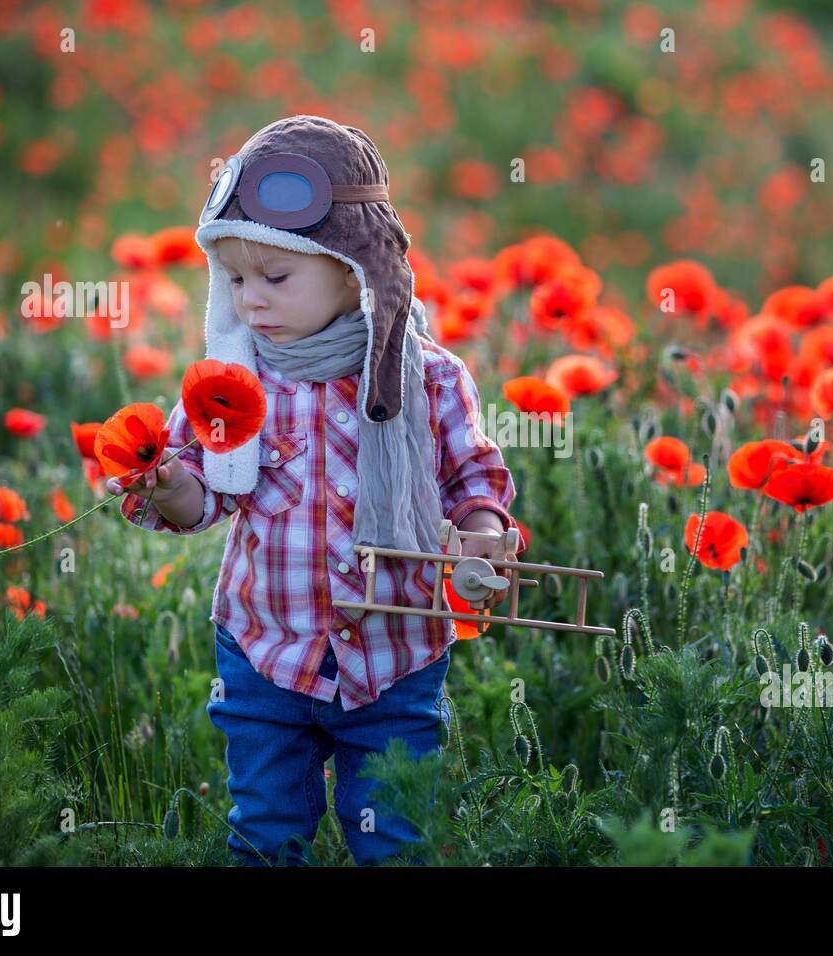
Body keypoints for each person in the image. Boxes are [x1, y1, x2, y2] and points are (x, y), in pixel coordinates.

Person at [108, 115, 520, 866]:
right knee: (264, 831)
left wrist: (483, 532)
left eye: (276, 277)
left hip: (397, 656)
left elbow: (473, 478)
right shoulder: (233, 382)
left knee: (395, 838)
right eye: (235, 278)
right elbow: (203, 498)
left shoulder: (425, 376)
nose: (252, 300)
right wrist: (169, 484)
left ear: (352, 266)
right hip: (266, 651)